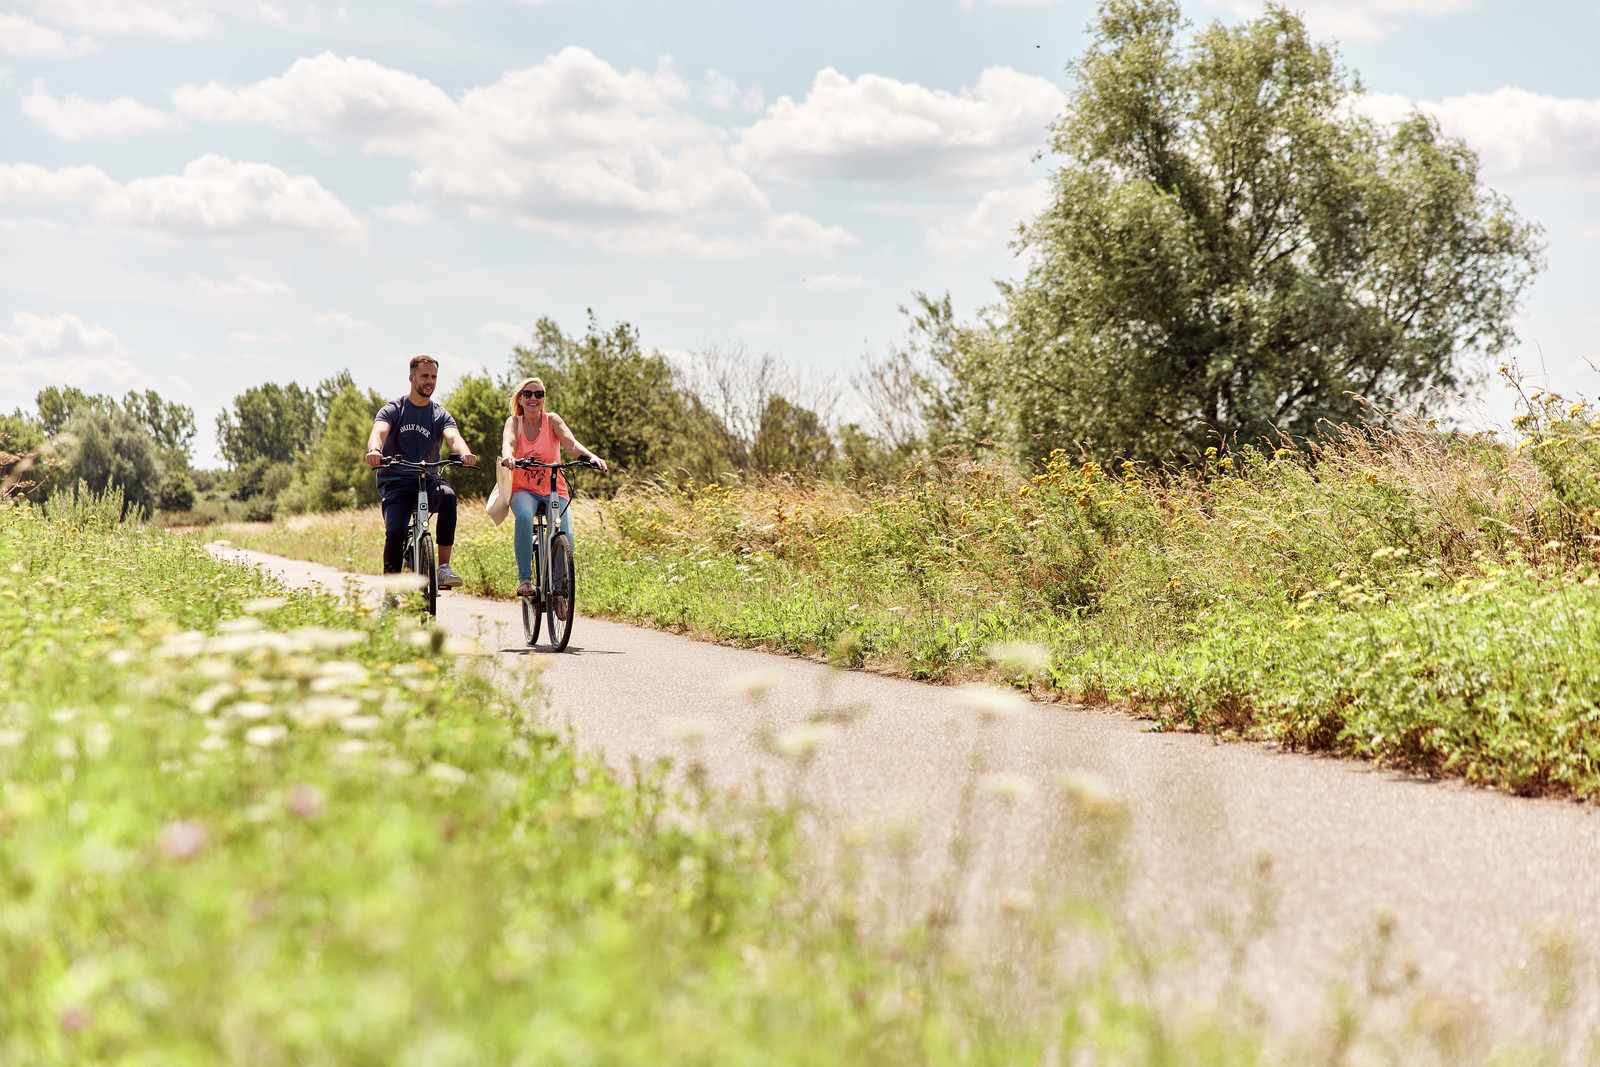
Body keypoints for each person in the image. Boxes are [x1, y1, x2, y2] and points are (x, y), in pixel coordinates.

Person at [365, 355, 478, 590]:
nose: (430, 381)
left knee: (448, 497)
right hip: (396, 482)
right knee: (395, 532)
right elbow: (379, 431)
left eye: (434, 377)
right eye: (425, 376)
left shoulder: (439, 414)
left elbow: (453, 437)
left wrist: (465, 452)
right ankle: (391, 594)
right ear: (411, 377)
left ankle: (443, 568)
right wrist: (375, 449)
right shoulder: (394, 409)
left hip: (428, 480)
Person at [499, 377, 607, 598]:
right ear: (520, 398)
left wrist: (591, 457)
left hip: (554, 488)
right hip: (523, 489)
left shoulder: (553, 421)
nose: (533, 398)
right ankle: (525, 580)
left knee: (563, 532)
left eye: (539, 394)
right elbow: (508, 443)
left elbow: (572, 444)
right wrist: (509, 457)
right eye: (528, 394)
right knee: (525, 517)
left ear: (544, 398)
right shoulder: (515, 422)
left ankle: (559, 591)